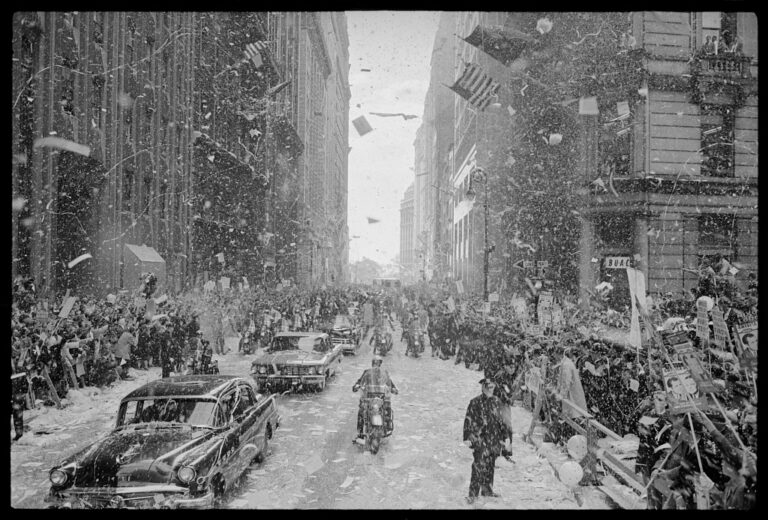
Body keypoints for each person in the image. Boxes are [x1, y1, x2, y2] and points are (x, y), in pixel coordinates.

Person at [463, 378, 513, 503]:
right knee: (478, 466)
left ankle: (487, 490)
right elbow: (468, 420)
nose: (490, 389)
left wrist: (506, 436)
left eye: (492, 387)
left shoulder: (496, 401)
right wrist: (467, 436)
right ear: (483, 387)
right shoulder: (475, 402)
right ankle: (473, 494)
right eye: (488, 387)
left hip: (494, 439)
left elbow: (502, 422)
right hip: (480, 439)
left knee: (490, 465)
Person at [352, 355, 398, 441]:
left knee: (387, 409)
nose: (376, 364)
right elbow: (360, 381)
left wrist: (393, 388)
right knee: (361, 411)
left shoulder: (384, 373)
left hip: (381, 397)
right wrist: (357, 385)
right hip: (368, 397)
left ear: (380, 364)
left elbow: (389, 382)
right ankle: (360, 433)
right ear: (372, 363)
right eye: (375, 363)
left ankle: (388, 426)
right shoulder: (367, 372)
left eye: (378, 363)